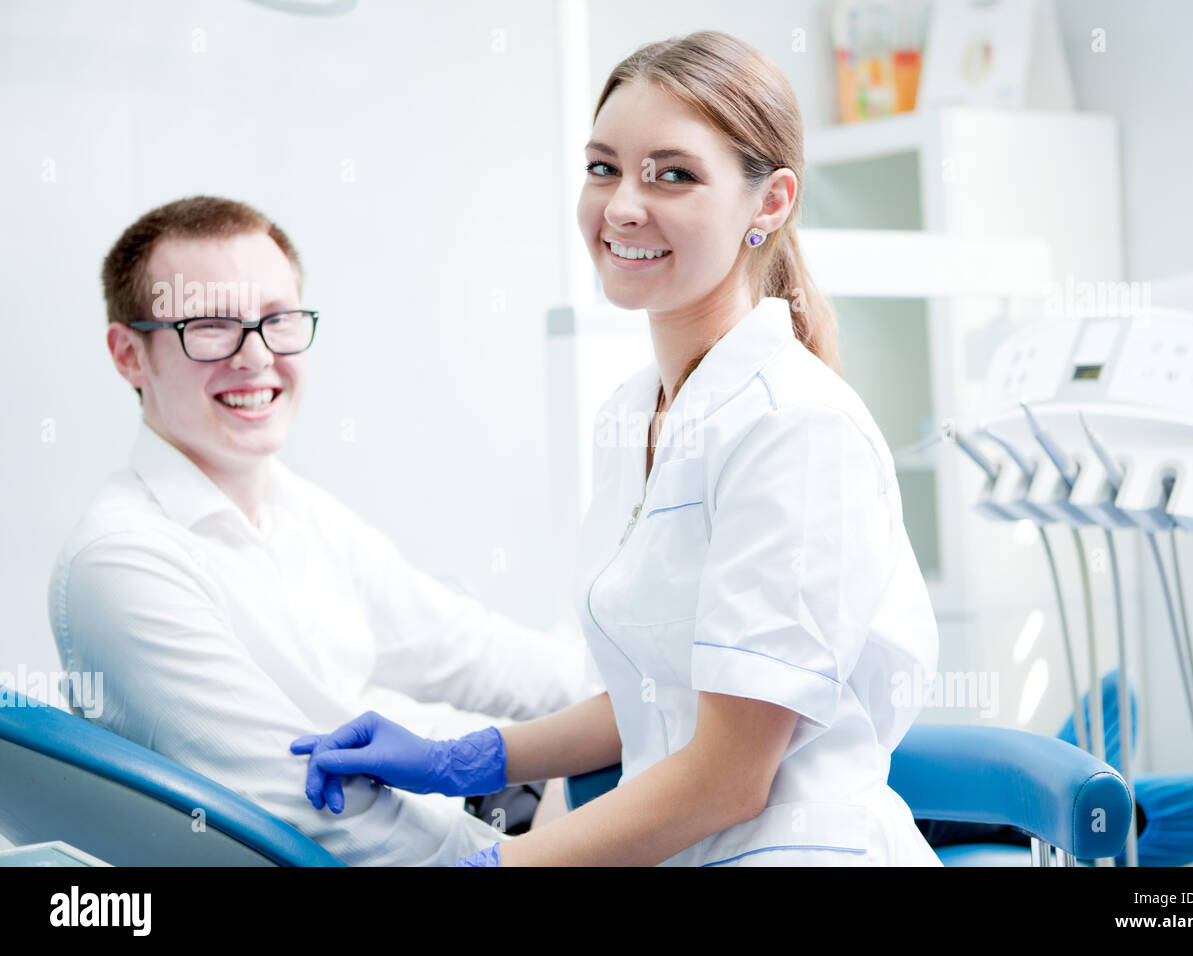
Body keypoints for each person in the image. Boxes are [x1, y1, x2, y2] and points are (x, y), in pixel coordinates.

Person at [294, 30, 941, 866]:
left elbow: (730, 776)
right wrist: (462, 759)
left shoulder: (796, 428)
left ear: (770, 202)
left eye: (673, 173)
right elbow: (657, 699)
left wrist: (499, 863)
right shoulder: (637, 414)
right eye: (605, 168)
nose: (624, 206)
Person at [49, 196, 594, 865]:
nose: (256, 359)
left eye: (278, 321)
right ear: (129, 355)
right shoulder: (123, 562)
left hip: (510, 811)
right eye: (211, 326)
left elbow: (469, 649)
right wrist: (553, 858)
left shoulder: (295, 507)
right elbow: (318, 814)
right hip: (476, 843)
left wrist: (630, 693)